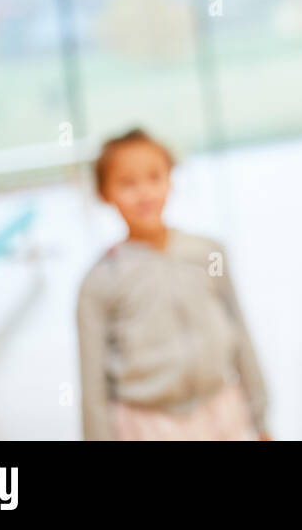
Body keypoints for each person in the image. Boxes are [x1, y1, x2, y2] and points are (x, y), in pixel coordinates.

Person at [76, 128, 270, 440]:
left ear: (171, 179)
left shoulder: (209, 253)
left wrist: (260, 417)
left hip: (223, 413)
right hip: (146, 425)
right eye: (127, 183)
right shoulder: (99, 281)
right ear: (104, 193)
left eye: (154, 177)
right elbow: (92, 383)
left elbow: (241, 336)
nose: (144, 193)